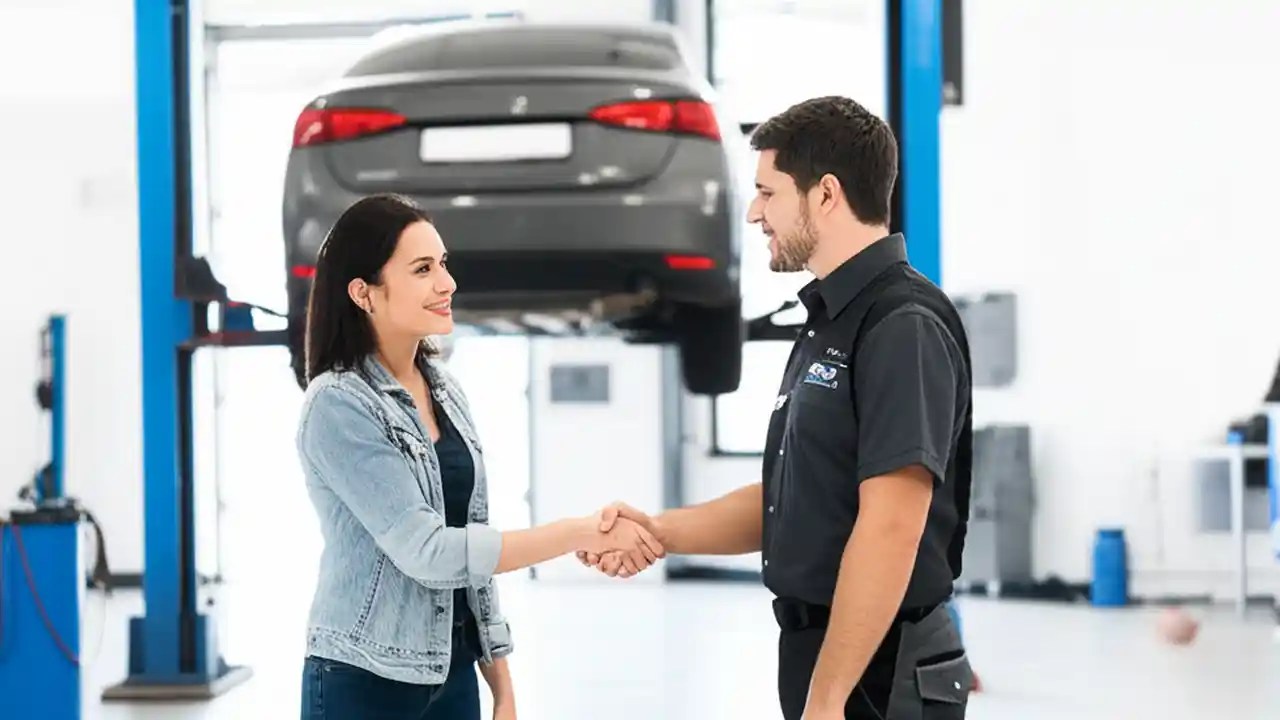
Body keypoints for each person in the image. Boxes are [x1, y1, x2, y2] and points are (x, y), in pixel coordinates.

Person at [582, 96, 976, 719]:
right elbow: (793, 499)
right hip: (830, 659)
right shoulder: (829, 321)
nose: (753, 212)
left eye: (768, 193)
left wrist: (827, 701)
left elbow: (892, 527)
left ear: (825, 195)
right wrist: (661, 531)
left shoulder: (902, 325)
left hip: (878, 673)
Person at [295, 194, 665, 720]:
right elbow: (429, 551)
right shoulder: (338, 404)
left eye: (442, 265)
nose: (446, 284)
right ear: (363, 293)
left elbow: (472, 539)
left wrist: (502, 680)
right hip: (363, 678)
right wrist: (579, 532)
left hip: (454, 672)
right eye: (422, 269)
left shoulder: (443, 388)